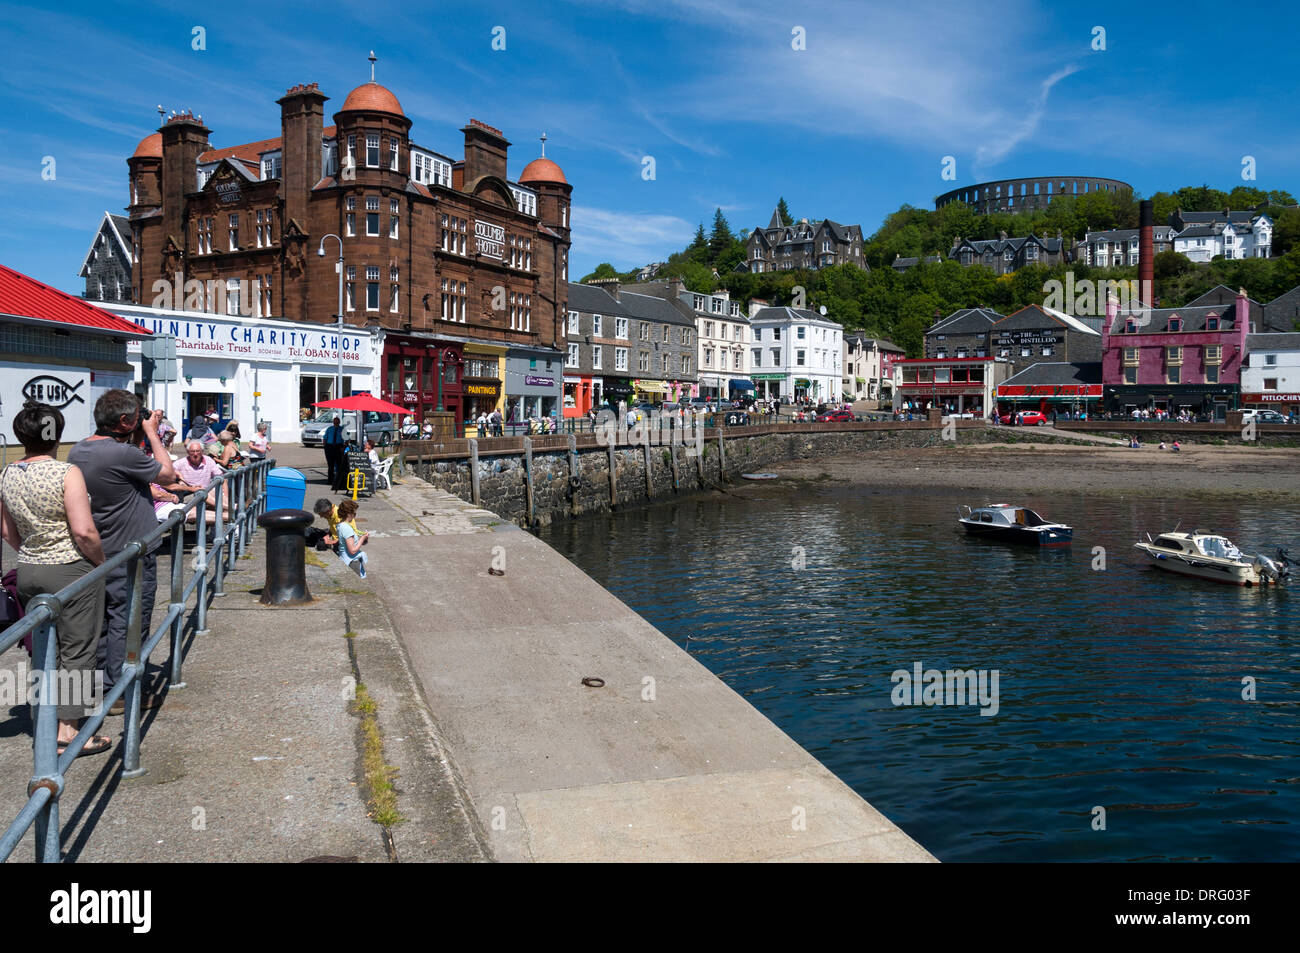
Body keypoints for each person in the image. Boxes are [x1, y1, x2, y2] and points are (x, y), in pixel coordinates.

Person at [1, 401, 110, 755]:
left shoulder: (6, 473)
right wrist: (101, 563)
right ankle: (68, 731)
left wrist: (31, 548)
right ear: (56, 434)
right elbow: (84, 532)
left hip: (29, 569)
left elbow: (6, 531)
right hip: (71, 568)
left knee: (42, 649)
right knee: (78, 648)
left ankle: (43, 719)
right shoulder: (66, 473)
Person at [67, 389, 176, 715]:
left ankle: (101, 687)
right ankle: (123, 692)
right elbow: (168, 475)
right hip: (131, 552)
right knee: (129, 623)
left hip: (97, 550)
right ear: (126, 421)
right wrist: (152, 433)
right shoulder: (122, 454)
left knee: (102, 621)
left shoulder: (78, 451)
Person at [334, 499, 369, 578]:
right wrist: (362, 538)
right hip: (351, 561)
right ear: (349, 514)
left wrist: (363, 539)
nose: (355, 515)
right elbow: (352, 550)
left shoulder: (341, 525)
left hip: (345, 558)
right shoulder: (347, 528)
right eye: (354, 513)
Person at [323, 416, 346, 492]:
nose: (335, 423)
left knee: (339, 465)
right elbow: (325, 438)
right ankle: (330, 480)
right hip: (329, 447)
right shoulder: (329, 429)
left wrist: (343, 447)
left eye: (337, 421)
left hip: (338, 447)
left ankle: (338, 481)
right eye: (334, 421)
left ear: (339, 422)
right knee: (330, 465)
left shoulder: (342, 429)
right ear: (333, 422)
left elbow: (347, 439)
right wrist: (325, 447)